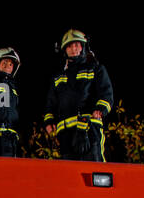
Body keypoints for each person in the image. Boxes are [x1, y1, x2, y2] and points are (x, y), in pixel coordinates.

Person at [43, 29, 113, 162]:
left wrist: (101, 109)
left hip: (88, 129)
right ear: (64, 50)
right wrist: (49, 122)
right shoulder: (58, 77)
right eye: (69, 46)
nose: (73, 48)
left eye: (76, 44)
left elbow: (106, 92)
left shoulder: (95, 69)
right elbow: (51, 103)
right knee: (68, 175)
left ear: (83, 46)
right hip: (65, 133)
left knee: (94, 169)